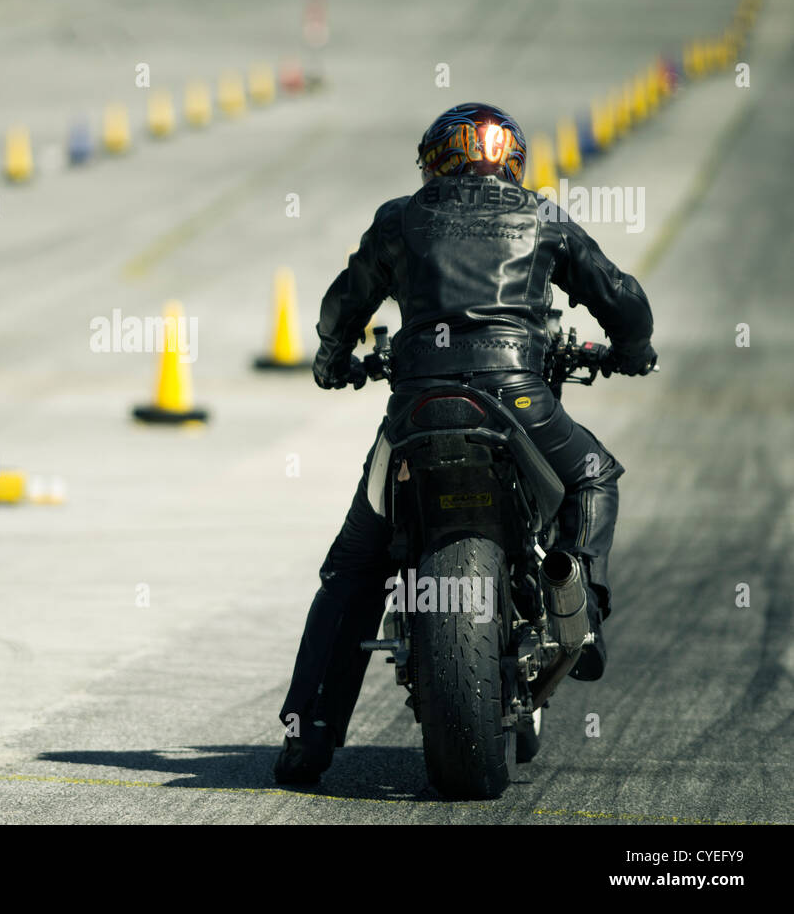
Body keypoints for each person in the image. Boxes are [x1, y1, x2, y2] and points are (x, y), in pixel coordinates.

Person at [274, 102, 656, 786]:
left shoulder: (401, 218)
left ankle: (308, 741)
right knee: (594, 475)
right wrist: (633, 349)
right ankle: (580, 595)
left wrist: (333, 359)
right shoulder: (541, 216)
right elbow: (620, 294)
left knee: (353, 568)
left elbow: (343, 305)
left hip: (417, 411)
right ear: (511, 160)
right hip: (518, 400)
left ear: (436, 161)